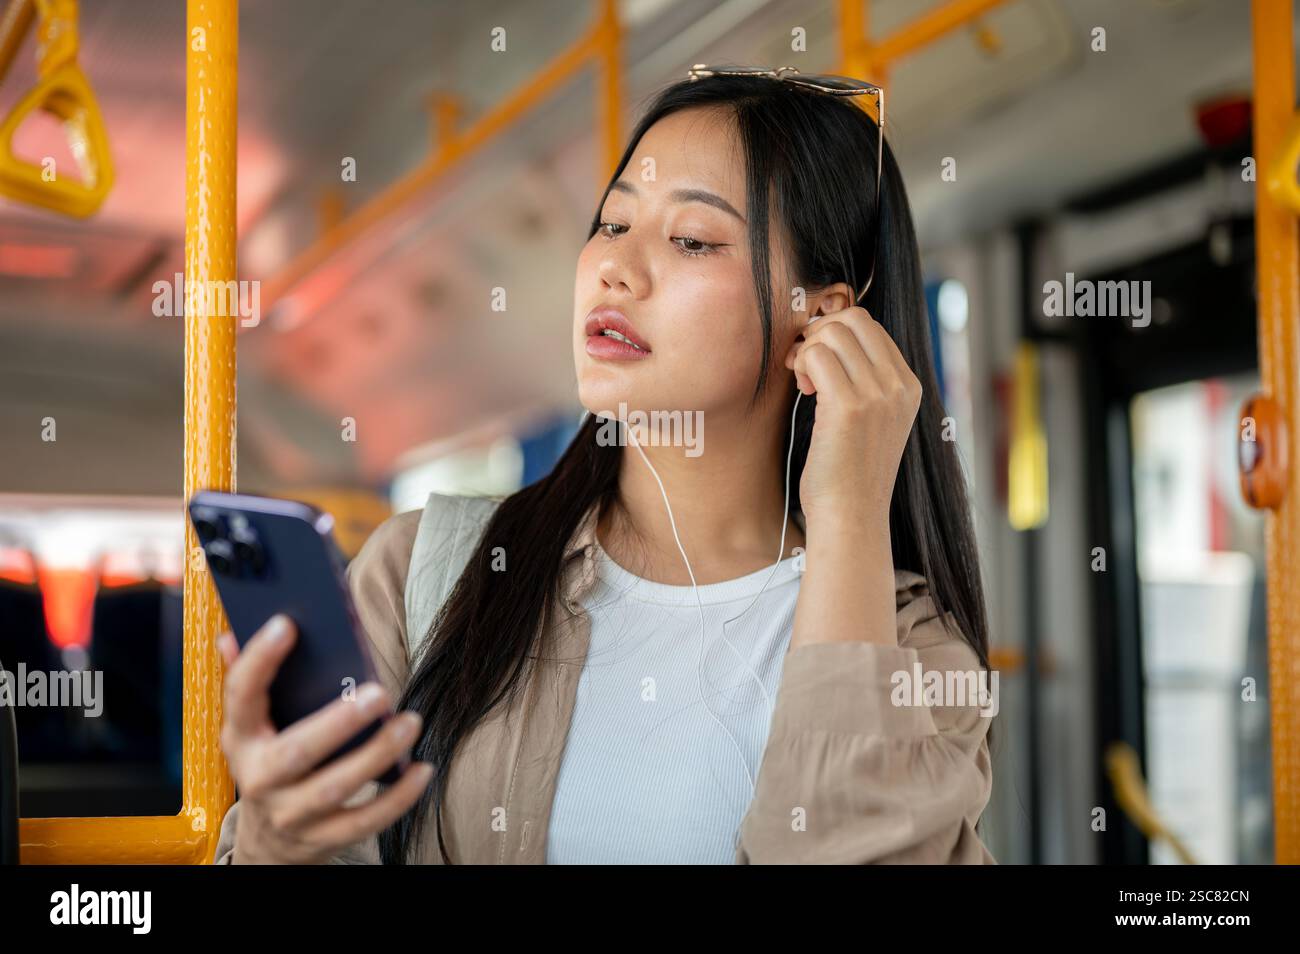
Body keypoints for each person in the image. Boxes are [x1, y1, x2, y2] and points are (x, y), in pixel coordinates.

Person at [213, 67, 995, 865]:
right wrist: (275, 840)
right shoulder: (425, 572)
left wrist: (851, 513)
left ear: (819, 318)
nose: (617, 268)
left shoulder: (914, 653)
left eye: (691, 238)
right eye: (613, 223)